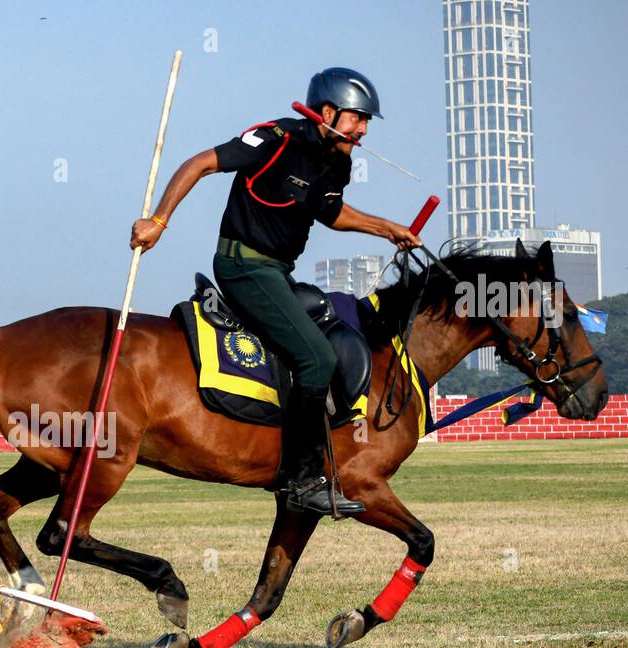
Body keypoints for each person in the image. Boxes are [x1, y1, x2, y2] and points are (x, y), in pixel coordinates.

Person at [131, 67, 422, 516]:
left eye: (366, 121)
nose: (363, 130)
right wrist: (160, 220)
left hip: (278, 272)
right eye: (357, 118)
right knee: (318, 359)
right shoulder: (276, 138)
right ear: (328, 112)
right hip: (242, 267)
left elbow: (330, 212)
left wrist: (387, 229)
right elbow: (200, 164)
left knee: (330, 325)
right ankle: (304, 481)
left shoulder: (337, 161)